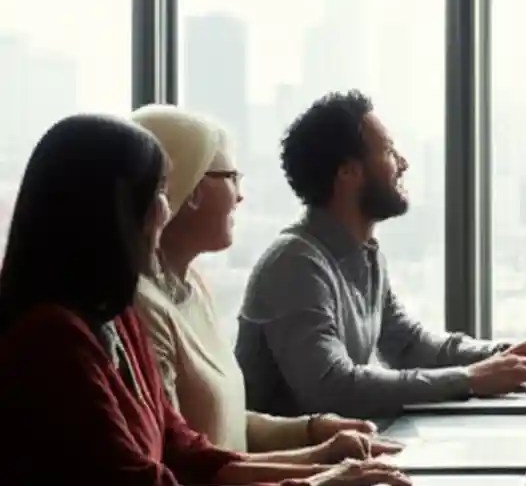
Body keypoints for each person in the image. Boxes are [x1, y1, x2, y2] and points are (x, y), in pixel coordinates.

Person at [0, 113, 407, 486]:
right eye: (158, 191)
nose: (166, 206)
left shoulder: (117, 315)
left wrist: (324, 468)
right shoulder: (52, 338)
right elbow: (149, 482)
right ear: (112, 212)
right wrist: (316, 481)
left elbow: (185, 450)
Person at [236, 90, 526, 419]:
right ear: (348, 172)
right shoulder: (295, 265)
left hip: (345, 457)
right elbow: (333, 389)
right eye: (390, 151)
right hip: (297, 468)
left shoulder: (365, 255)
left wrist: (501, 356)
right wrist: (470, 379)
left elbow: (407, 345)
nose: (403, 163)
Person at [131, 105, 401, 462]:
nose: (239, 195)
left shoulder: (192, 286)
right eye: (230, 177)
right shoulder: (141, 308)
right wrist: (316, 464)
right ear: (190, 188)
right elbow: (184, 464)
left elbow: (224, 425)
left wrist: (312, 429)